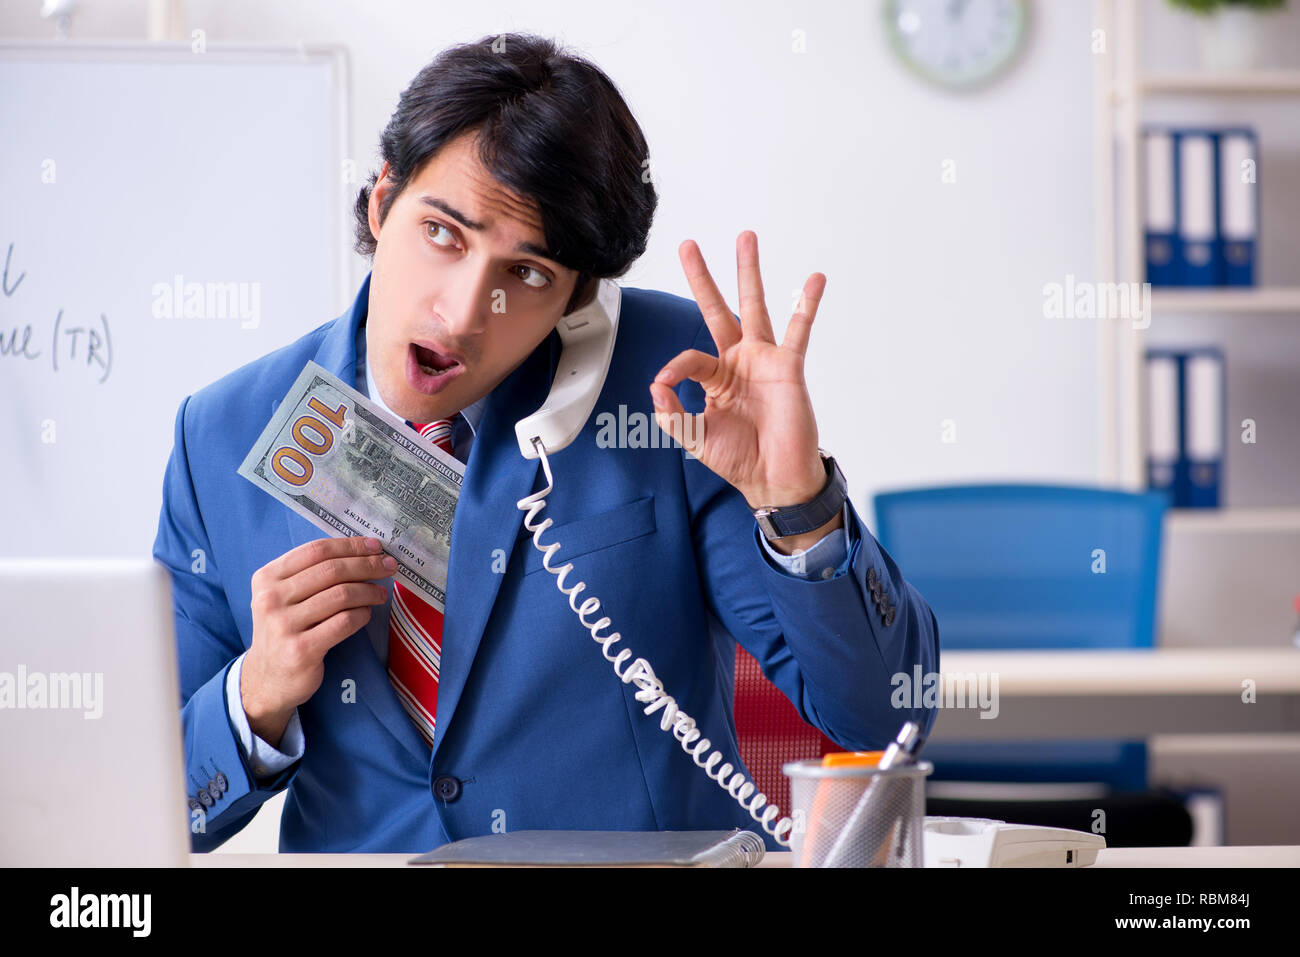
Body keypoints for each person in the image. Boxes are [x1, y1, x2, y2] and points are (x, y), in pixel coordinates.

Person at [153, 32, 940, 854]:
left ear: (580, 299)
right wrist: (256, 695)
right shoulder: (222, 434)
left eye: (525, 274)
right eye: (444, 234)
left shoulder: (673, 387)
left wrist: (799, 501)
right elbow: (166, 806)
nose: (463, 313)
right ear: (383, 200)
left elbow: (889, 718)